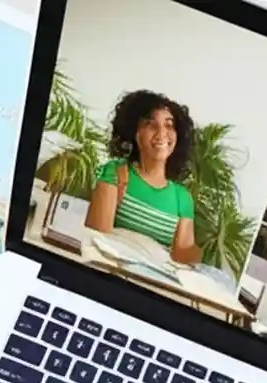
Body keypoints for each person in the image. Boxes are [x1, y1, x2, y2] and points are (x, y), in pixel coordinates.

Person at [86, 90, 202, 264]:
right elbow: (96, 239)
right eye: (151, 124)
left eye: (169, 125)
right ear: (135, 133)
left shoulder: (182, 198)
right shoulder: (116, 173)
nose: (162, 133)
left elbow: (183, 262)